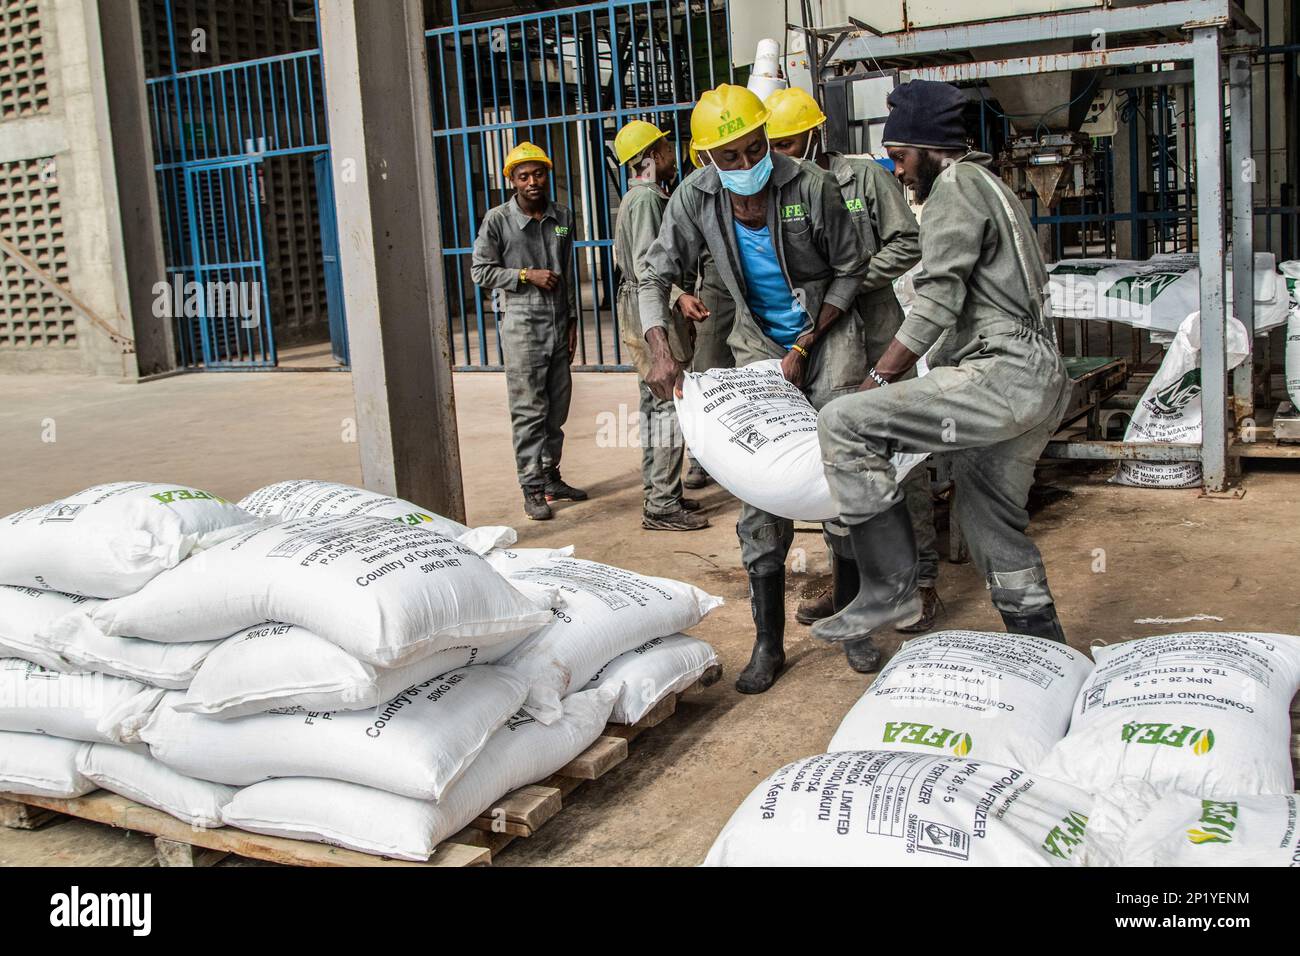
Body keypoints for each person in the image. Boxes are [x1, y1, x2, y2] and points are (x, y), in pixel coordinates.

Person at [813, 79, 1072, 655]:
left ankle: (892, 586)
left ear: (931, 148)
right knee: (989, 526)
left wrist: (879, 377)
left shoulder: (954, 185)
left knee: (843, 421)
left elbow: (935, 299)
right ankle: (1046, 654)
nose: (899, 171)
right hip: (1039, 380)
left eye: (902, 157)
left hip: (1002, 371)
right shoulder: (992, 185)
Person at [638, 84, 872, 693]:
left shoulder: (812, 188)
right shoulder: (693, 199)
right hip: (756, 341)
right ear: (706, 160)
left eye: (754, 149)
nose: (746, 166)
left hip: (828, 333)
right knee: (760, 476)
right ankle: (769, 643)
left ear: (768, 139)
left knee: (839, 467)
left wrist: (804, 345)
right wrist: (659, 349)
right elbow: (653, 274)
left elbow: (851, 269)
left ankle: (852, 622)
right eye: (731, 157)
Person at [764, 86, 944, 644]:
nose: (782, 156)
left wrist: (850, 280)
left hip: (880, 338)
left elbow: (906, 242)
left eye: (791, 143)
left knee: (900, 459)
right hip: (824, 341)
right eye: (775, 146)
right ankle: (853, 583)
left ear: (816, 135)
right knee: (836, 463)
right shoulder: (776, 191)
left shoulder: (863, 179)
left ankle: (922, 579)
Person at [471, 142, 588, 521]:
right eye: (523, 176)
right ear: (513, 180)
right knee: (528, 410)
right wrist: (524, 275)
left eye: (538, 173)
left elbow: (566, 272)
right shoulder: (497, 220)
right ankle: (532, 486)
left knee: (557, 407)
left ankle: (551, 476)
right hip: (522, 323)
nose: (532, 181)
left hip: (557, 321)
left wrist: (570, 323)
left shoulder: (564, 217)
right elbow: (481, 271)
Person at [612, 120, 709, 532]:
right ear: (651, 158)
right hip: (649, 310)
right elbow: (648, 268)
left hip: (634, 306)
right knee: (670, 403)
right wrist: (679, 297)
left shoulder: (636, 197)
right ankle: (663, 506)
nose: (673, 154)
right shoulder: (648, 200)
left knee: (654, 404)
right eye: (667, 148)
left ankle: (659, 491)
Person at [682, 140, 735, 491]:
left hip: (760, 287)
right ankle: (699, 459)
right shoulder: (694, 194)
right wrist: (682, 295)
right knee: (708, 374)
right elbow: (681, 254)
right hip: (716, 292)